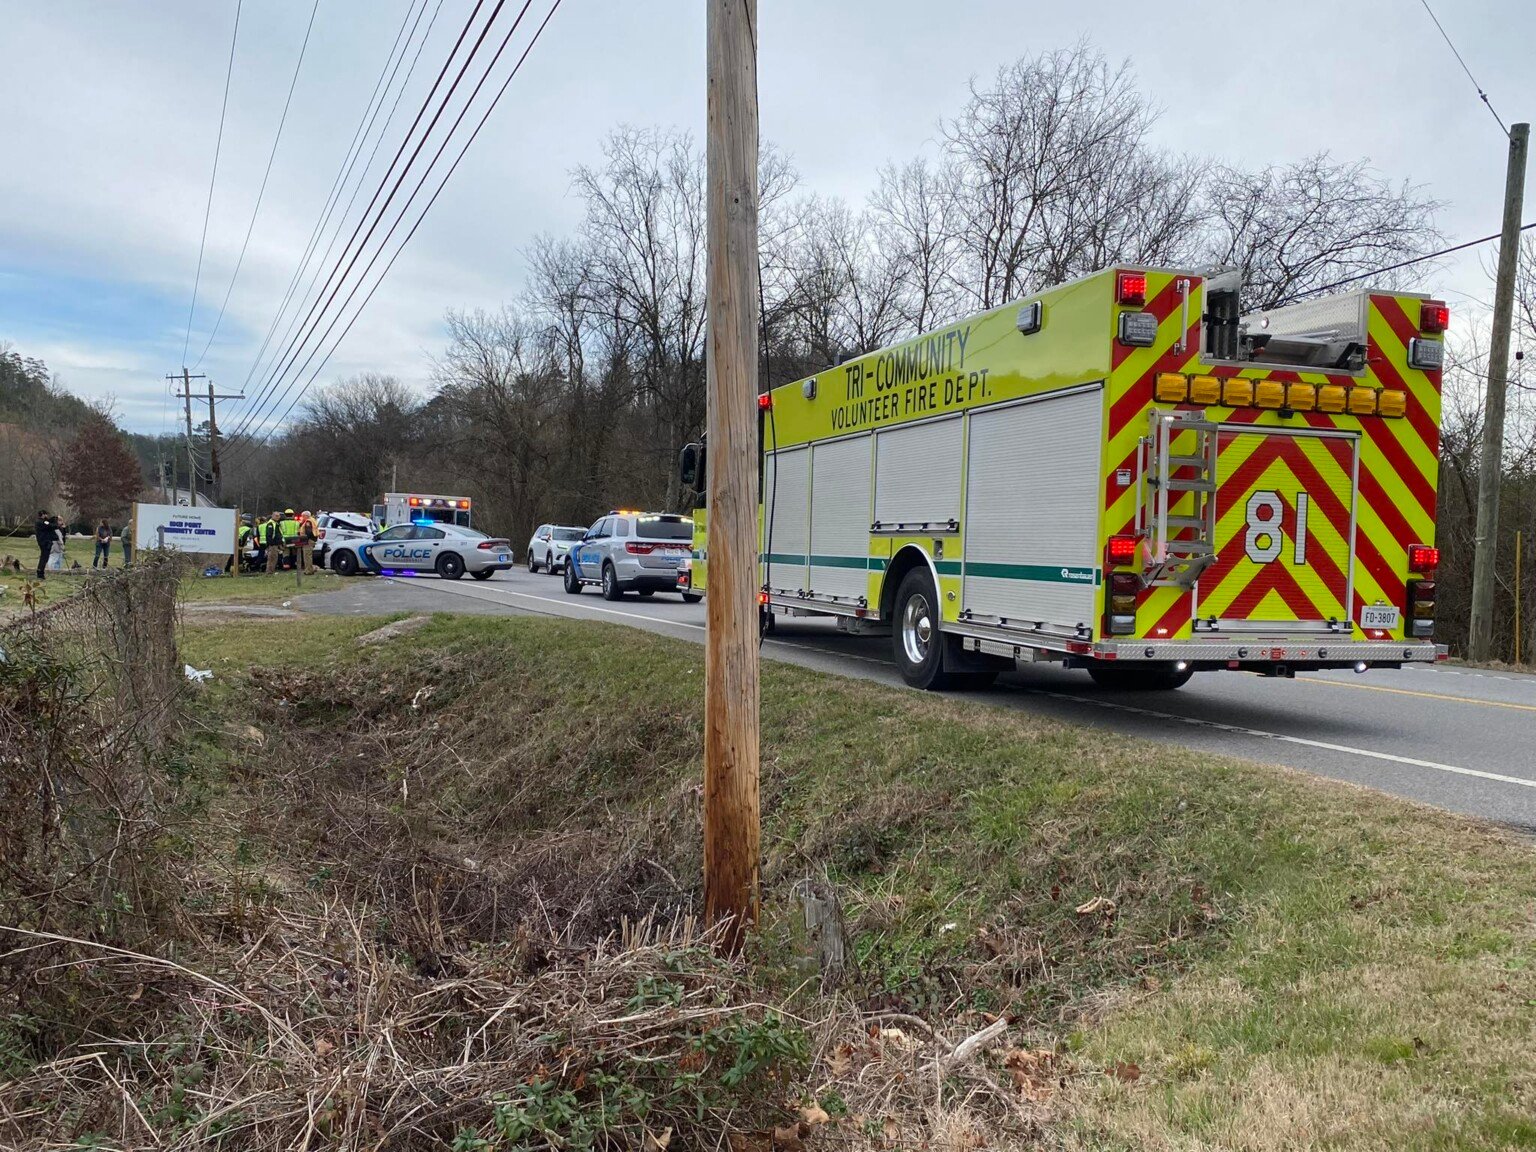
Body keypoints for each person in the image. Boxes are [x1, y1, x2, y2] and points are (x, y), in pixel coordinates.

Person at [296, 510, 317, 575]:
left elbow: (308, 532)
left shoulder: (308, 522)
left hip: (308, 541)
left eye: (303, 516)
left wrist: (304, 539)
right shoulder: (312, 520)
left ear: (306, 516)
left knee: (307, 556)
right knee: (308, 556)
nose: (302, 517)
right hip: (311, 540)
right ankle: (310, 569)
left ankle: (308, 571)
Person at [34, 510, 53, 579]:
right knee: (44, 558)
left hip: (42, 542)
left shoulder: (39, 522)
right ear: (43, 515)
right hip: (44, 542)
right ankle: (40, 573)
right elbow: (50, 525)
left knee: (44, 557)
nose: (47, 516)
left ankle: (40, 572)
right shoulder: (42, 522)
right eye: (46, 515)